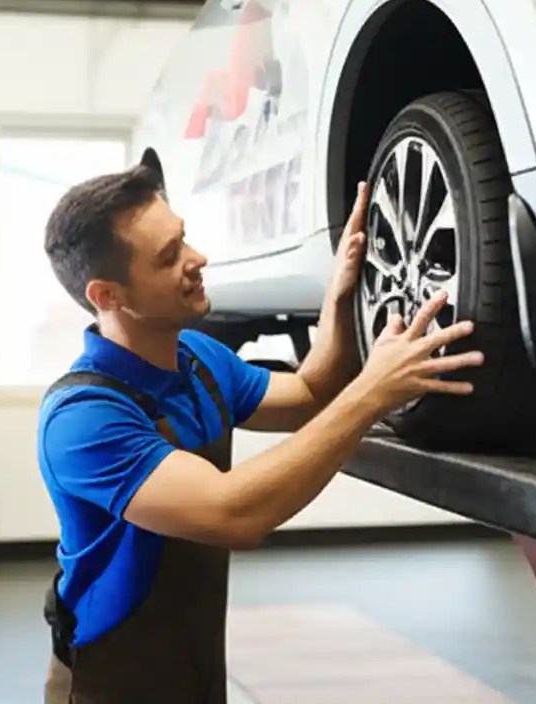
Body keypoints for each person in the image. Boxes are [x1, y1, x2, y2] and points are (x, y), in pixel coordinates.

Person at [36, 149, 483, 703]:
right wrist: (373, 391)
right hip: (110, 683)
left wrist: (338, 295)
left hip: (194, 668)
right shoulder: (83, 419)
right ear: (107, 296)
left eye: (185, 238)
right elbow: (233, 514)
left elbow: (310, 393)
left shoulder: (196, 358)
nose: (197, 258)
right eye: (169, 255)